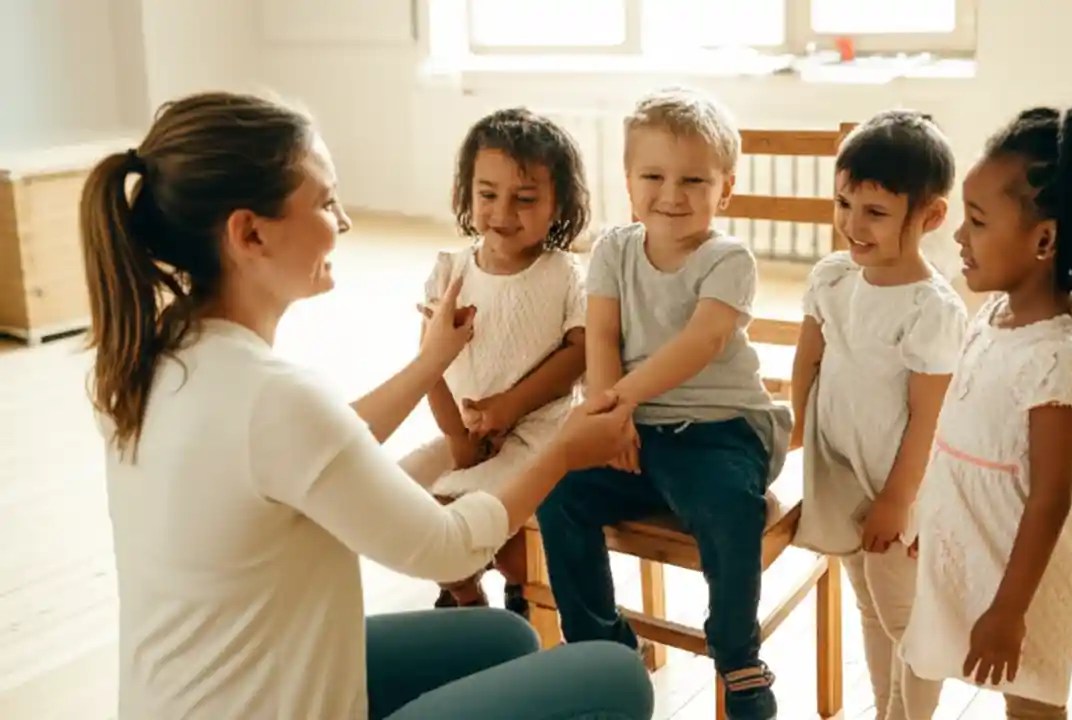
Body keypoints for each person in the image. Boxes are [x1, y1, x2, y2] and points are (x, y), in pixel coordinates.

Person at [79, 91, 654, 720]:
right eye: (326, 201)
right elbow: (450, 548)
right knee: (616, 674)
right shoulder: (272, 397)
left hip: (210, 693)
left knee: (506, 638)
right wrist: (563, 452)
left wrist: (430, 362)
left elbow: (316, 450)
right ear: (249, 232)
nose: (345, 220)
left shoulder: (154, 362)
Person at [899, 95, 1072, 720]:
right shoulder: (994, 313)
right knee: (928, 652)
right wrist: (931, 510)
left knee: (1032, 698)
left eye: (977, 221)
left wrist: (1010, 609)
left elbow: (1051, 497)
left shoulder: (1058, 358)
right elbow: (961, 427)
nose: (960, 237)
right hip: (963, 536)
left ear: (1044, 239)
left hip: (1025, 574)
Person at [535, 86, 792, 720]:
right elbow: (600, 335)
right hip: (635, 430)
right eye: (654, 175)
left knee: (731, 512)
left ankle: (736, 654)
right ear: (628, 181)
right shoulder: (614, 250)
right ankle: (603, 644)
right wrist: (606, 415)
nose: (671, 194)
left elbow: (700, 343)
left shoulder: (729, 259)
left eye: (693, 180)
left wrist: (616, 401)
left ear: (724, 190)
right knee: (556, 491)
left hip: (720, 431)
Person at [790, 110, 968, 720]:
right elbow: (807, 362)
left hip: (900, 487)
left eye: (875, 212)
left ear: (931, 217)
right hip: (843, 475)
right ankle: (883, 709)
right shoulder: (833, 278)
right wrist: (796, 429)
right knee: (867, 607)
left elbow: (928, 419)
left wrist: (897, 499)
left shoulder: (930, 309)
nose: (851, 225)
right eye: (844, 203)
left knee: (908, 622)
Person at [397, 108, 590, 616]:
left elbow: (580, 354)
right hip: (463, 433)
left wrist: (510, 406)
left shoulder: (565, 274)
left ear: (558, 204)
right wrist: (458, 439)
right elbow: (429, 365)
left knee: (459, 517)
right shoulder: (450, 271)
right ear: (468, 193)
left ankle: (499, 592)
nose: (503, 211)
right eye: (488, 194)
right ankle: (470, 593)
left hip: (537, 437)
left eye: (525, 199)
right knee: (392, 494)